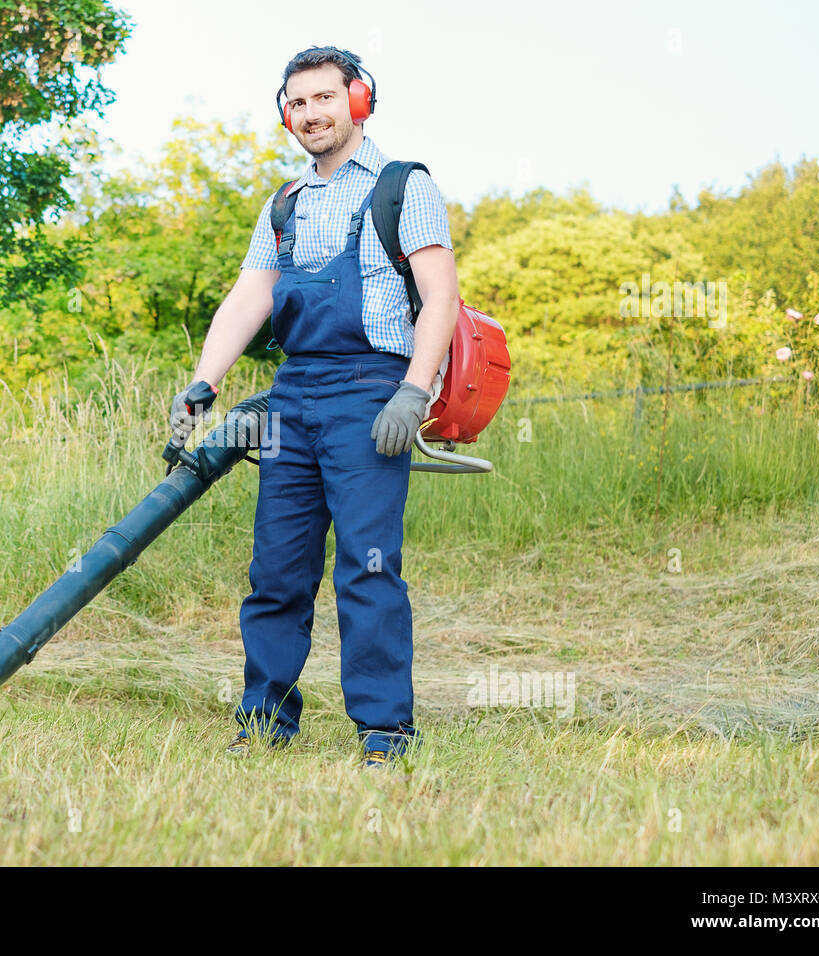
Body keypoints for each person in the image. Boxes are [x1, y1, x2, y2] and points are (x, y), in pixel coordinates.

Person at [168, 45, 460, 768]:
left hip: (371, 391)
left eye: (323, 98)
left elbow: (441, 298)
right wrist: (204, 382)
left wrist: (413, 391)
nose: (310, 114)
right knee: (277, 571)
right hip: (294, 396)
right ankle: (263, 722)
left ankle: (385, 732)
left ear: (358, 100)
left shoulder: (404, 186)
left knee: (367, 567)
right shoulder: (285, 203)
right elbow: (250, 298)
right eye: (296, 104)